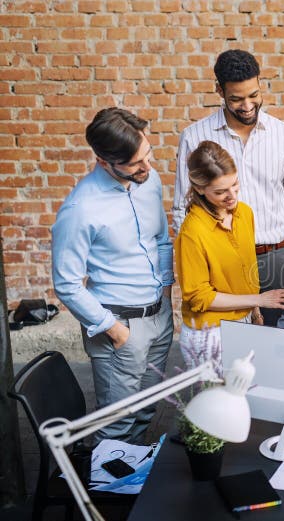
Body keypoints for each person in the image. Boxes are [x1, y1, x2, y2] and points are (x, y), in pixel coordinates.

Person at [52, 107, 174, 443]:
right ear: (105, 162)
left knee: (147, 407)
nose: (147, 168)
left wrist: (165, 296)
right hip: (118, 327)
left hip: (159, 317)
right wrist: (115, 331)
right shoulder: (80, 209)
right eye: (136, 164)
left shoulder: (150, 181)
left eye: (147, 155)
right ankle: (107, 491)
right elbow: (66, 283)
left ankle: (129, 479)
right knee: (116, 423)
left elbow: (162, 240)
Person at [172, 49, 284, 326]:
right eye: (236, 99)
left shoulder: (283, 134)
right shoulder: (193, 137)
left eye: (254, 95)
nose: (248, 106)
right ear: (219, 91)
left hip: (277, 258)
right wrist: (202, 266)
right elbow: (182, 210)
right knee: (233, 354)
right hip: (223, 264)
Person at [174, 141, 284, 373]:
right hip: (210, 333)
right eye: (220, 191)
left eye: (235, 184)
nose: (232, 196)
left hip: (244, 322)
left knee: (246, 401)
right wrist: (259, 300)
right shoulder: (192, 232)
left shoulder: (244, 214)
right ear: (200, 189)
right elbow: (199, 297)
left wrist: (255, 313)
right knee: (219, 406)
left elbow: (245, 271)